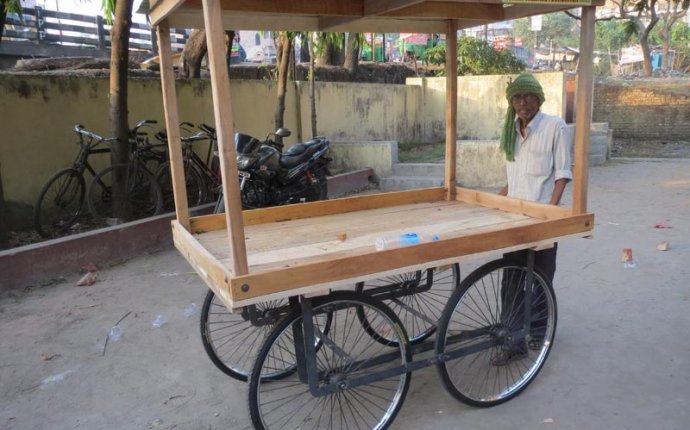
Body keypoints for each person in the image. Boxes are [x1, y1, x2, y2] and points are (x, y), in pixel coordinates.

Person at [491, 73, 572, 366]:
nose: (522, 103)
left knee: (540, 279)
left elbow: (563, 175)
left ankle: (539, 330)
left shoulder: (554, 127)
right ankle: (513, 340)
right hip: (514, 218)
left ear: (538, 99)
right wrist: (492, 202)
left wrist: (550, 216)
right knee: (510, 279)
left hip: (541, 216)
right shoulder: (510, 131)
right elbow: (512, 178)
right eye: (516, 98)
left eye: (527, 97)